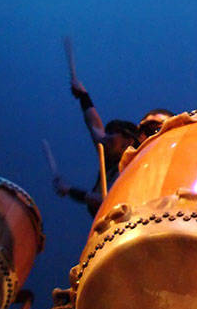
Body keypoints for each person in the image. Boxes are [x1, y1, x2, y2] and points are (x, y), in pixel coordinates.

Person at [54, 80, 141, 214]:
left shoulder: (132, 167)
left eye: (112, 133)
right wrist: (83, 95)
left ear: (128, 141)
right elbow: (94, 125)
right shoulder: (109, 158)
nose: (106, 137)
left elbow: (105, 200)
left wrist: (68, 190)